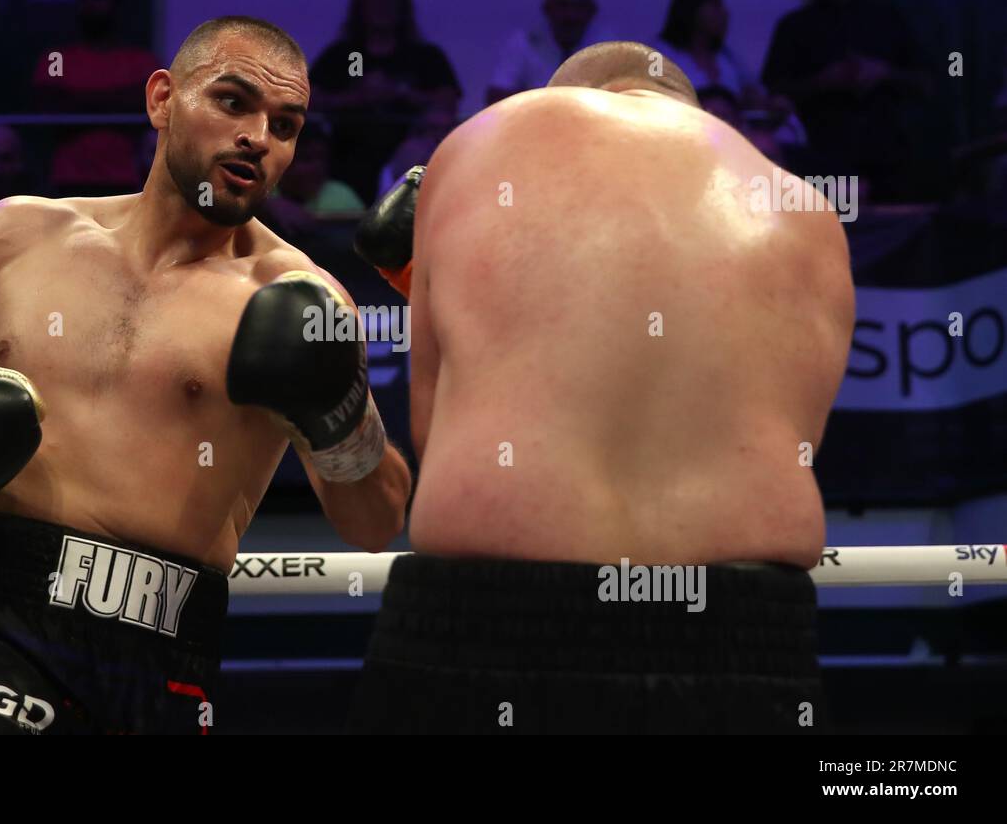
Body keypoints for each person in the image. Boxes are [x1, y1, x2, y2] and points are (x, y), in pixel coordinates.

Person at [0, 16, 411, 735]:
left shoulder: (300, 298)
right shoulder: (20, 235)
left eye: (286, 125)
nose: (260, 138)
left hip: (163, 650)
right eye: (233, 102)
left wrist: (344, 415)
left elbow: (374, 521)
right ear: (162, 99)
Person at [351, 41, 854, 734]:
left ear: (572, 91)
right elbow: (791, 442)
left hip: (494, 620)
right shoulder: (812, 215)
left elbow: (437, 439)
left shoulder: (489, 140)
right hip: (747, 639)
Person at [761, 0, 928, 200]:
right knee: (835, 232)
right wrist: (822, 82)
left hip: (889, 151)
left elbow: (926, 82)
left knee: (897, 225)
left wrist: (884, 73)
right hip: (823, 152)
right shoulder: (796, 26)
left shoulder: (886, 18)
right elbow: (773, 89)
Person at [309, 0, 461, 203]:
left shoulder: (426, 56)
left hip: (412, 170)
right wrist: (357, 98)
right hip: (345, 167)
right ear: (360, 4)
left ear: (402, 4)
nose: (381, 5)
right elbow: (305, 101)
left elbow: (447, 104)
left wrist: (400, 92)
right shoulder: (339, 55)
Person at [31, 0, 163, 195]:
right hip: (67, 177)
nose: (92, 4)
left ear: (116, 6)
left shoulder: (141, 60)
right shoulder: (57, 58)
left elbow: (147, 105)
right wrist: (119, 99)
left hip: (127, 176)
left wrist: (77, 100)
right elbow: (49, 107)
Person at [487, 0, 616, 104]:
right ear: (547, 8)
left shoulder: (607, 47)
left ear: (592, 11)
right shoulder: (524, 43)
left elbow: (620, 101)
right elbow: (496, 98)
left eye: (579, 6)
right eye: (563, 5)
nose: (571, 15)